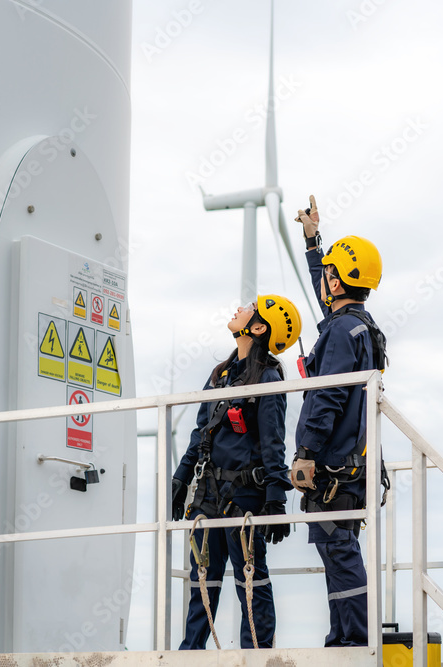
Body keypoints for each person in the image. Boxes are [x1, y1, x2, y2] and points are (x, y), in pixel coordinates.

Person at [171, 295, 301, 650]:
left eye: (247, 307)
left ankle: (256, 655)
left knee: (251, 583)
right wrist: (180, 481)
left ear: (258, 327)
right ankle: (191, 655)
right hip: (207, 495)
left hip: (243, 496)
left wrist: (276, 500)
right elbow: (201, 435)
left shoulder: (269, 379)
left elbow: (274, 443)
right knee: (202, 584)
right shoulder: (220, 377)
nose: (238, 308)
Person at [290, 195, 387, 647]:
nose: (323, 278)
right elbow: (326, 289)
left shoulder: (338, 332)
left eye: (328, 271)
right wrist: (314, 244)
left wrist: (306, 452)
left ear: (338, 280)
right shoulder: (358, 326)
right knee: (338, 551)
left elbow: (327, 396)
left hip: (332, 465)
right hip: (354, 466)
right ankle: (342, 639)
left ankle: (354, 642)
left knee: (339, 552)